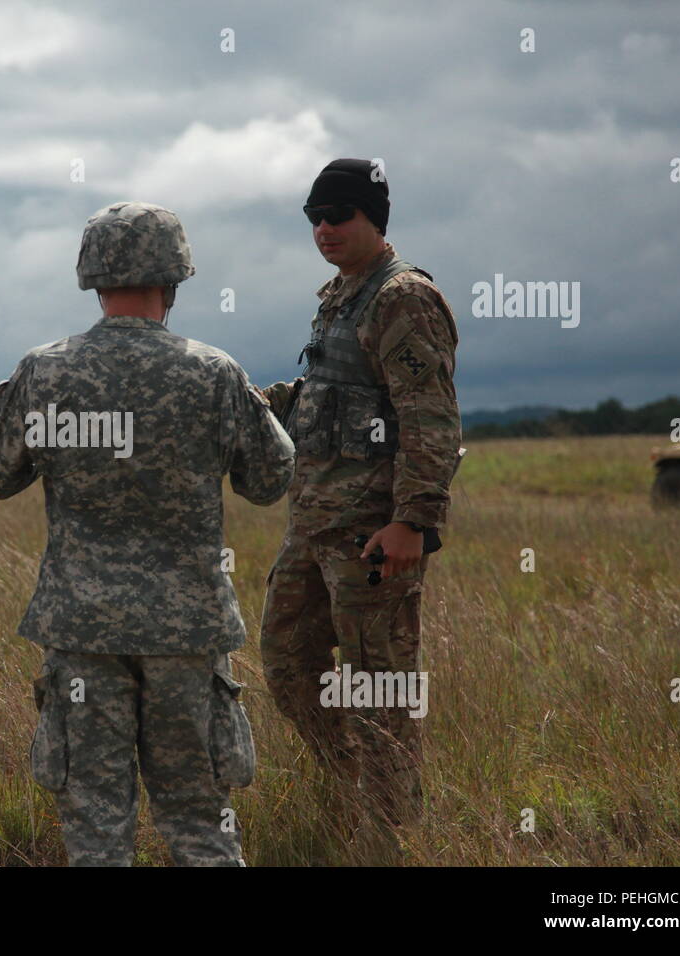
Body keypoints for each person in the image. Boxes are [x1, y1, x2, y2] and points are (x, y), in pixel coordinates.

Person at [0, 201, 294, 866]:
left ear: (92, 277)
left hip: (83, 630)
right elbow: (268, 482)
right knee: (201, 819)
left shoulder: (45, 372)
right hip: (188, 630)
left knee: (94, 821)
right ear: (174, 281)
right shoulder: (213, 372)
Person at [259, 159, 461, 854]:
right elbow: (330, 395)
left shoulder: (403, 298)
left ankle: (390, 837)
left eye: (339, 214)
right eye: (314, 216)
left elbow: (429, 416)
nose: (324, 228)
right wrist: (254, 405)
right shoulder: (342, 295)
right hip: (313, 526)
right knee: (286, 662)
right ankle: (356, 792)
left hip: (374, 535)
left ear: (376, 217)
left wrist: (414, 522)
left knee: (381, 691)